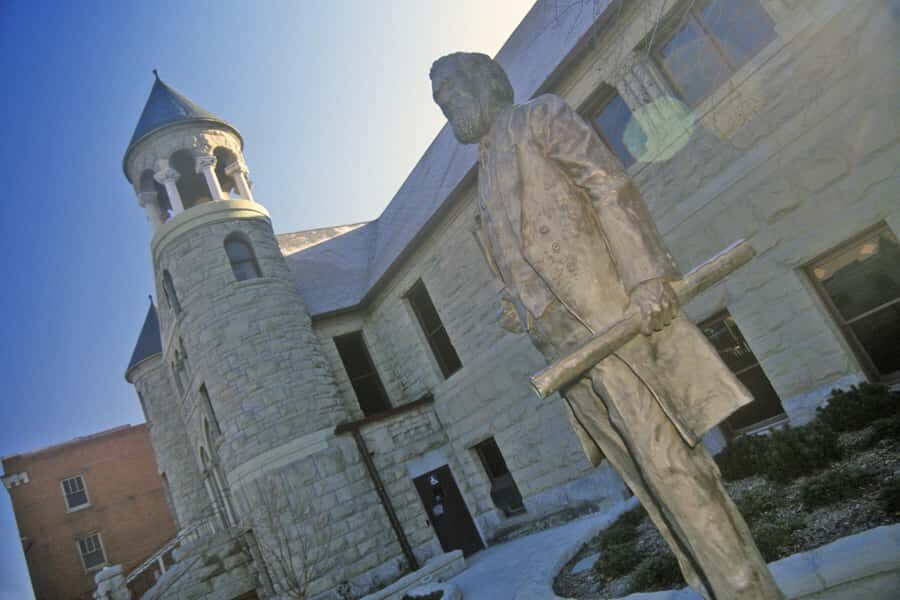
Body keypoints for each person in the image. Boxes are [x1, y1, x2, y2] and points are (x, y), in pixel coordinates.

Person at [430, 52, 784, 600]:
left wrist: (645, 278)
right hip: (567, 357)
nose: (444, 101)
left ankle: (746, 592)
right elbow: (517, 260)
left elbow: (606, 185)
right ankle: (718, 590)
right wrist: (516, 303)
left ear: (485, 82)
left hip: (611, 323)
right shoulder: (482, 180)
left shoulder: (538, 116)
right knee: (649, 488)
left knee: (672, 470)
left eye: (450, 87)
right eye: (438, 97)